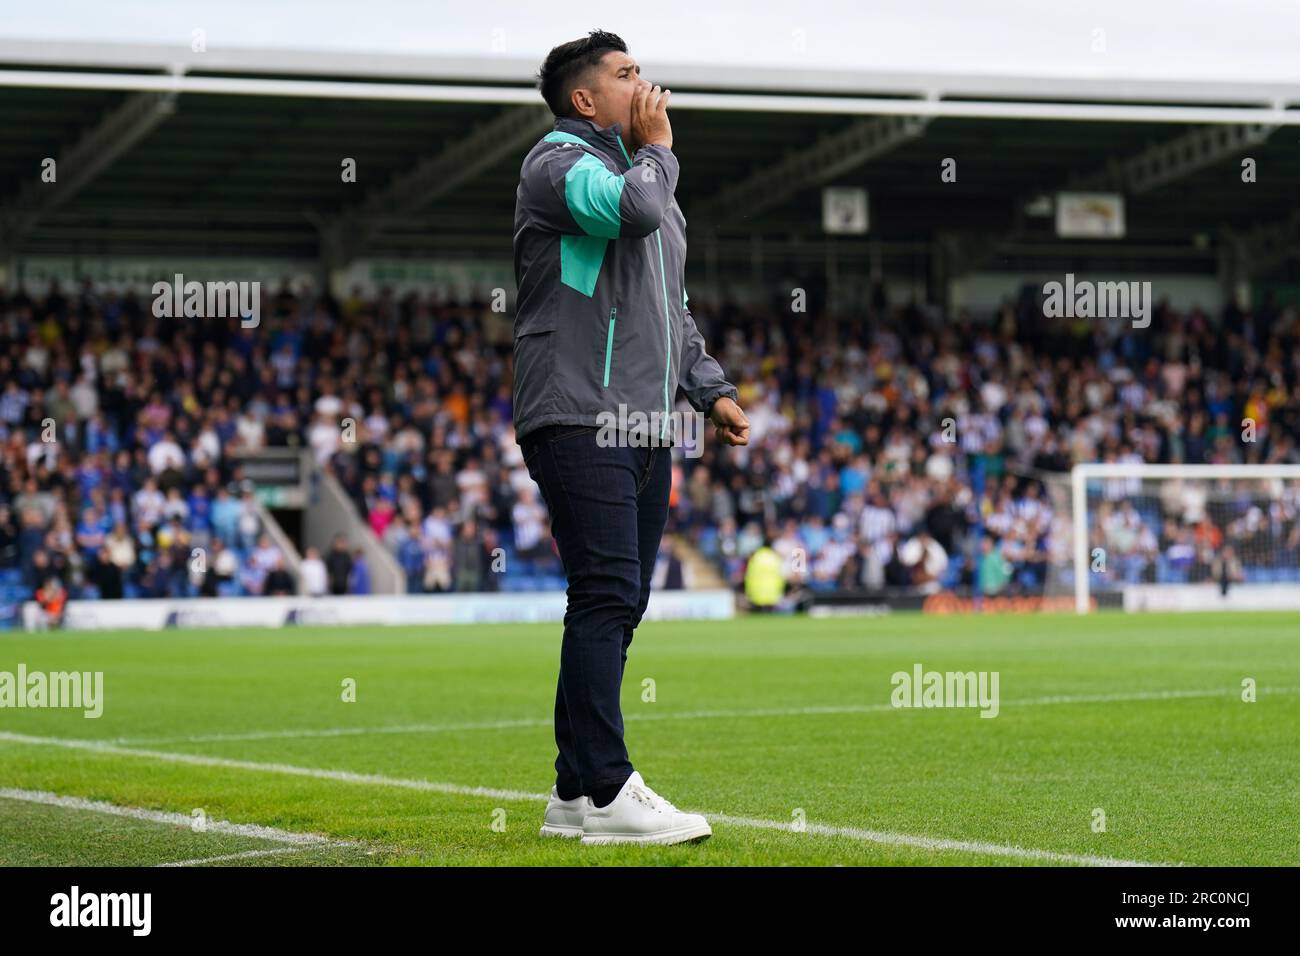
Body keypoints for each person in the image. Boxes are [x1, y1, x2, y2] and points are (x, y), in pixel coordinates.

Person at [515, 30, 749, 846]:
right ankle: (613, 793)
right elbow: (635, 210)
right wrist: (660, 154)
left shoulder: (641, 176)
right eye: (625, 75)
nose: (644, 84)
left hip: (648, 422)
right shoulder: (558, 163)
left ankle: (574, 791)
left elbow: (670, 309)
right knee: (608, 594)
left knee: (617, 601)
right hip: (580, 412)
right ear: (586, 100)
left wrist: (709, 391)